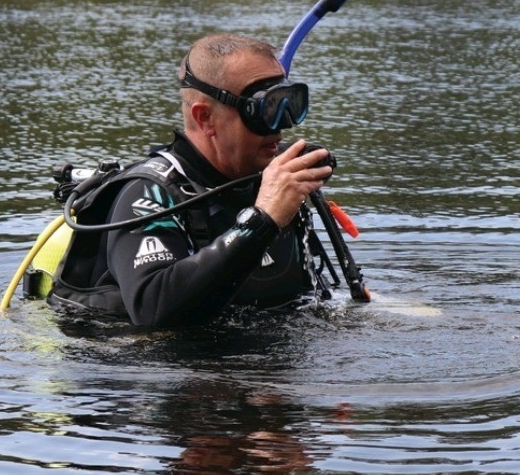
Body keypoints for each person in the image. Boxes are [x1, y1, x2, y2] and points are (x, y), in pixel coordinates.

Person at [46, 33, 335, 328]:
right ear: (205, 118)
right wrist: (262, 221)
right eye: (264, 109)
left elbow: (314, 301)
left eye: (289, 104)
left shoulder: (272, 185)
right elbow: (153, 309)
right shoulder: (147, 194)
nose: (283, 124)